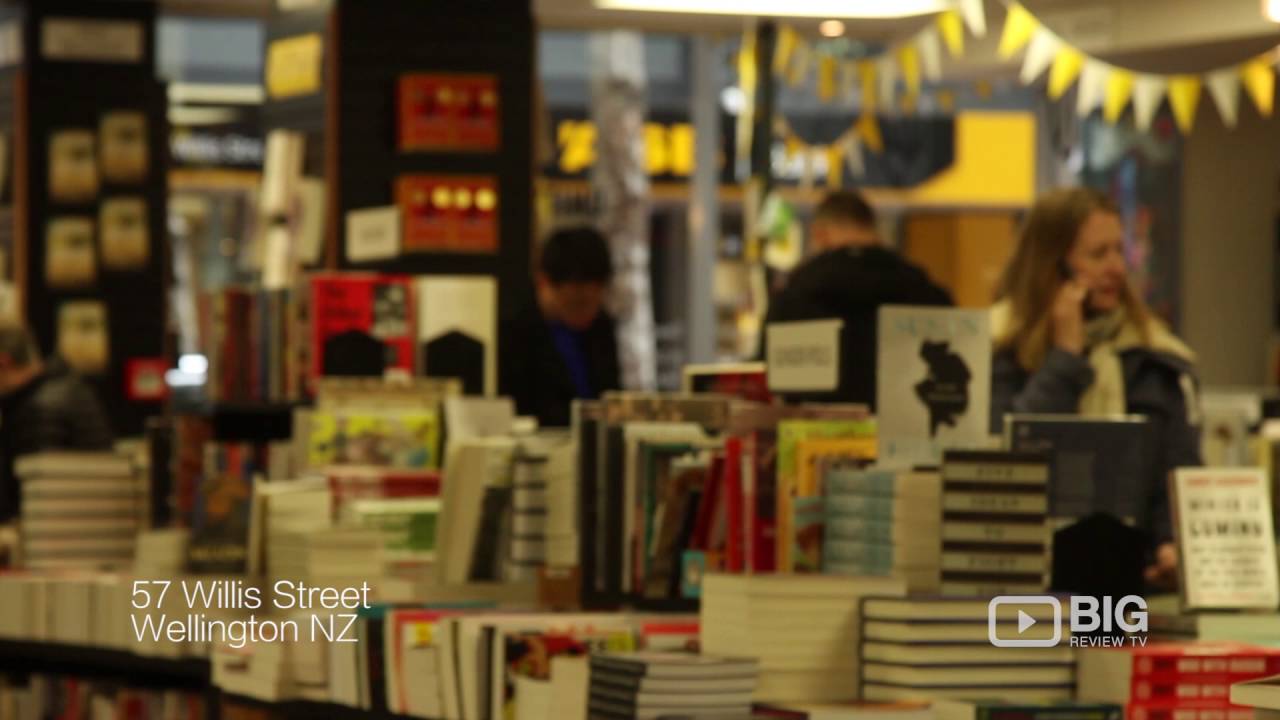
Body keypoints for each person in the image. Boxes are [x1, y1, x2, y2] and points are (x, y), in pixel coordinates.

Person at [988, 187, 1200, 588]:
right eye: (1098, 254)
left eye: (1120, 251)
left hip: (1128, 583)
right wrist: (1065, 360)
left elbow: (1177, 469)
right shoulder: (998, 349)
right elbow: (1006, 458)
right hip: (1022, 582)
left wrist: (1172, 542)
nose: (1117, 269)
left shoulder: (1154, 358)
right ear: (1054, 266)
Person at [761, 190, 952, 408]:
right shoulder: (923, 290)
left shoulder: (795, 293)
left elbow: (767, 372)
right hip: (905, 432)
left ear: (820, 234)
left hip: (813, 436)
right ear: (873, 230)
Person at [500, 226, 621, 428]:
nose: (588, 312)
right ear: (544, 282)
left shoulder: (600, 326)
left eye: (595, 301)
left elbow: (610, 396)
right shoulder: (513, 331)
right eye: (577, 303)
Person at [0, 324, 113, 522]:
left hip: (60, 536)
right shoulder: (67, 385)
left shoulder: (37, 409)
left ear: (4, 362)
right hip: (90, 526)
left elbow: (37, 494)